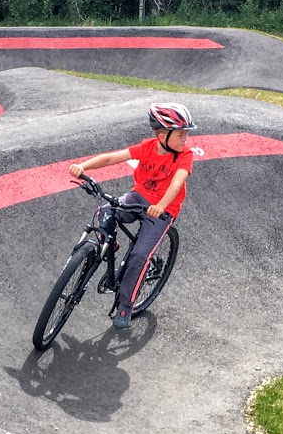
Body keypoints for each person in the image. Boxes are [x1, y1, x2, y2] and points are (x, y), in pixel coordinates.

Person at [67, 102, 197, 329]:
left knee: (139, 256)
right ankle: (110, 244)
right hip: (138, 198)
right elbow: (111, 158)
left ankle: (126, 306)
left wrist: (161, 205)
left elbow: (177, 184)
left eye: (186, 134)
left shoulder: (184, 156)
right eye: (180, 134)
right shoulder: (147, 147)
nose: (185, 139)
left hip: (163, 210)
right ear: (162, 135)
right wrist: (83, 166)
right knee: (104, 212)